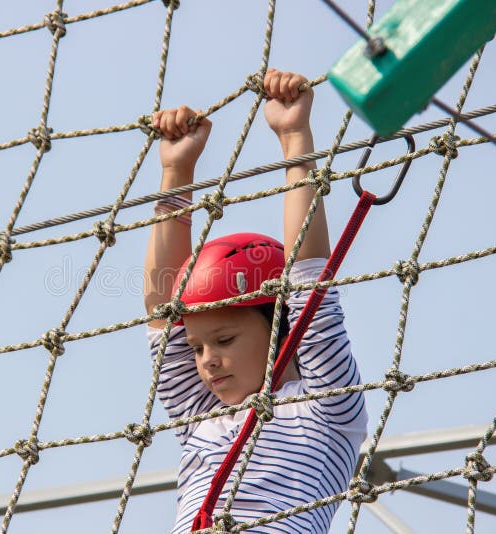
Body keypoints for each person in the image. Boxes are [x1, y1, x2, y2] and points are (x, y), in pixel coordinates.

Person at [144, 69, 367, 533]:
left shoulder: (328, 405)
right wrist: (176, 172)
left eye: (223, 339)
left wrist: (294, 137)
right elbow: (162, 310)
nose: (206, 361)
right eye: (198, 346)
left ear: (280, 326)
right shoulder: (201, 412)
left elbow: (308, 276)